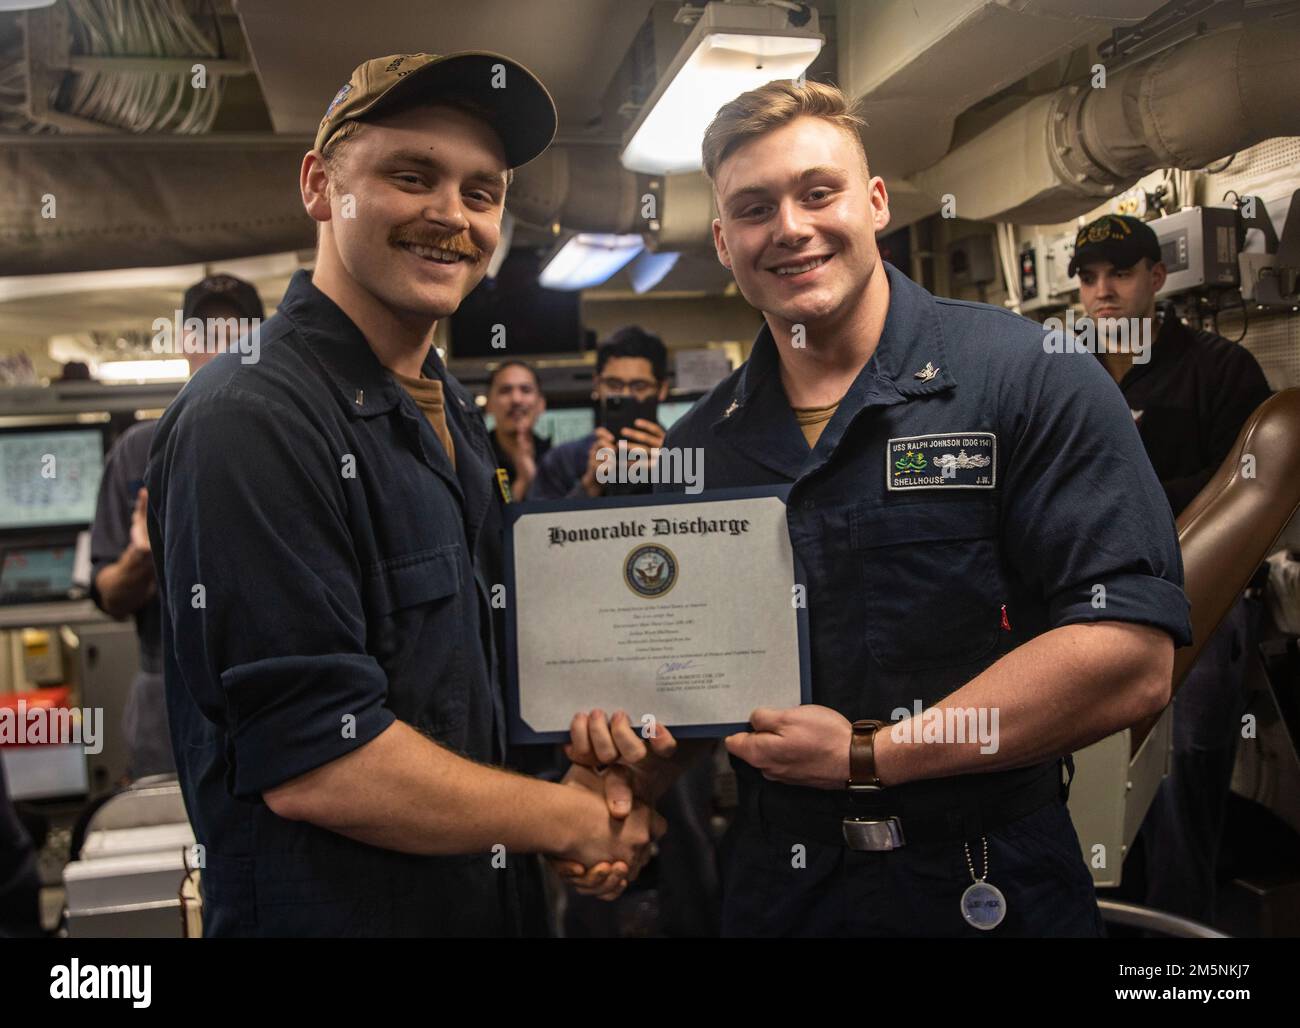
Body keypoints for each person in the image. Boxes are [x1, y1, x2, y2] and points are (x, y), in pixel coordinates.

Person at [563, 80, 1192, 937]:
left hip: (988, 880)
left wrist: (872, 757)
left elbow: (1130, 655)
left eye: (818, 192)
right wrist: (621, 791)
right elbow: (691, 691)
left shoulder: (1028, 376)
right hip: (780, 891)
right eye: (753, 209)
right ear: (722, 241)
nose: (789, 226)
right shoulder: (700, 451)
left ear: (875, 203)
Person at [145, 52, 660, 937]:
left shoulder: (448, 409)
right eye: (410, 176)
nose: (450, 216)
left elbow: (471, 678)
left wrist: (588, 766)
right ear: (319, 186)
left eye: (481, 191)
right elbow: (320, 760)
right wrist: (570, 822)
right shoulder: (249, 418)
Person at [1072, 213, 1273, 923]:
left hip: (1200, 598)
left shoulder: (1221, 370)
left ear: (1156, 278)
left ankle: (1180, 929)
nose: (1104, 292)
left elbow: (1242, 493)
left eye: (1120, 274)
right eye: (1090, 278)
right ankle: (1091, 908)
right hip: (1082, 598)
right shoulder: (1060, 371)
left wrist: (1128, 499)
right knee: (1074, 765)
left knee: (1186, 762)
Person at [89, 273, 264, 779]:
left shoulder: (286, 443)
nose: (224, 348)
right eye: (207, 335)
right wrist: (140, 558)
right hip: (166, 695)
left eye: (240, 334)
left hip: (264, 684)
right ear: (186, 344)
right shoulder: (138, 451)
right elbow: (109, 596)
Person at [531, 327, 670, 500]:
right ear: (597, 385)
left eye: (639, 386)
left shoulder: (687, 457)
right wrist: (590, 485)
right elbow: (539, 526)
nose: (625, 395)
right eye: (613, 385)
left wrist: (672, 474)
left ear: (662, 389)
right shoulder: (561, 461)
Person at [483, 359, 549, 500]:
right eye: (505, 391)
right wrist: (523, 482)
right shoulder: (474, 460)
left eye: (526, 390)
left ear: (541, 404)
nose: (516, 399)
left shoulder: (555, 459)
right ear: (489, 404)